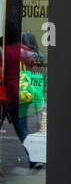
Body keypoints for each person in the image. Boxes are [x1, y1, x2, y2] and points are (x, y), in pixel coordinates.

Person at [2, 21, 39, 155]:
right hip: (24, 91)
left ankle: (33, 155)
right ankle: (34, 155)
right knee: (22, 126)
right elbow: (34, 70)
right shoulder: (25, 49)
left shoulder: (4, 51)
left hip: (10, 92)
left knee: (21, 127)